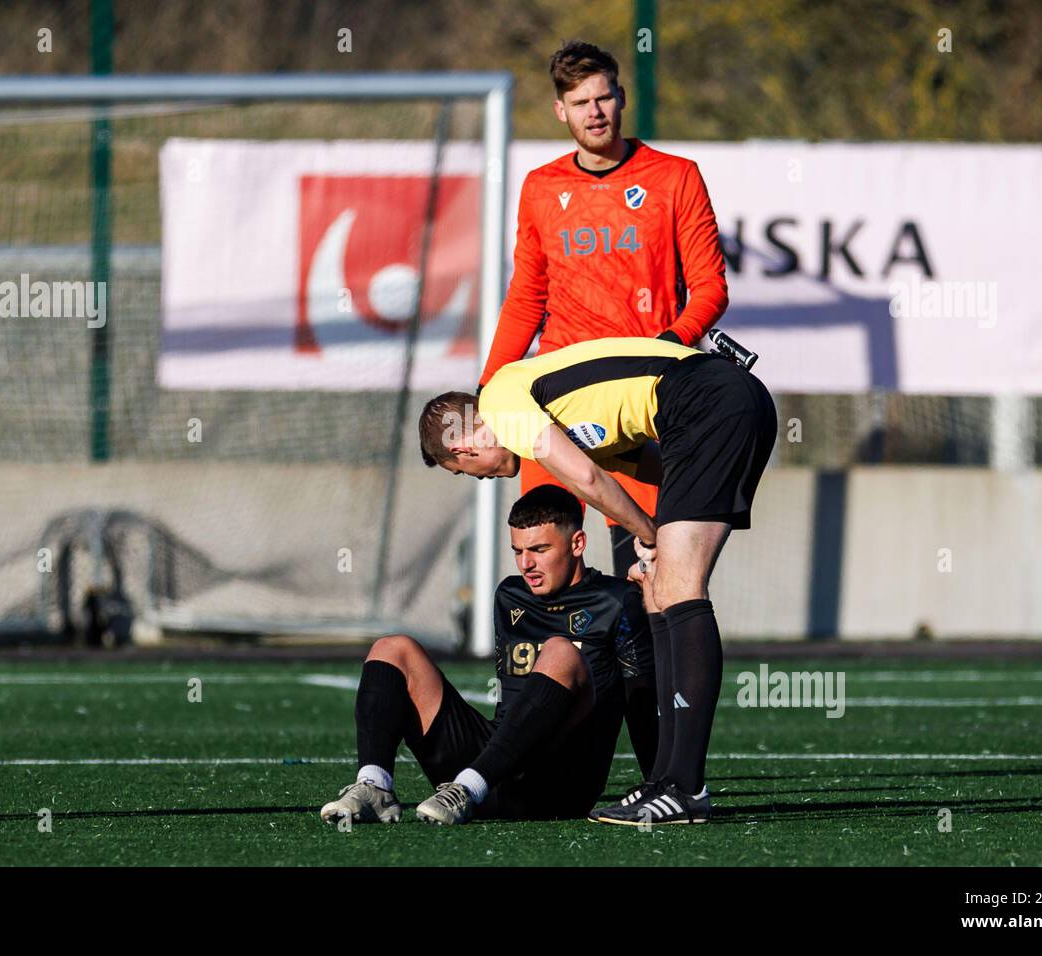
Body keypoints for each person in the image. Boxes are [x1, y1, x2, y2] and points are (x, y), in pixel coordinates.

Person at [419, 336, 777, 824]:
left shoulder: (501, 401)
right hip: (714, 404)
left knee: (676, 588)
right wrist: (655, 543)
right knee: (661, 590)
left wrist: (647, 535)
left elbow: (586, 481)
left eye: (463, 470)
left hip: (707, 401)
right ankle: (666, 781)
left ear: (462, 446)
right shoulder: (566, 413)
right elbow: (655, 466)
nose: (480, 478)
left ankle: (685, 788)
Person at [480, 40, 730, 580]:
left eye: (603, 98)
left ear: (621, 97)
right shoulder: (541, 188)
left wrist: (672, 343)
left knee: (643, 575)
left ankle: (647, 666)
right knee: (547, 576)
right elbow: (526, 297)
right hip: (555, 401)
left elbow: (711, 287)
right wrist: (488, 391)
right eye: (580, 102)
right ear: (560, 111)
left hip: (637, 401)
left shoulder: (675, 177)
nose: (594, 112)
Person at [319, 484, 655, 826]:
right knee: (392, 648)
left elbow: (641, 700)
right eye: (518, 551)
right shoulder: (509, 594)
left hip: (558, 784)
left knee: (560, 651)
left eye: (539, 549)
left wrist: (655, 782)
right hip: (490, 770)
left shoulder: (619, 599)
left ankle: (469, 786)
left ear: (577, 543)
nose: (527, 564)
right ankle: (376, 787)